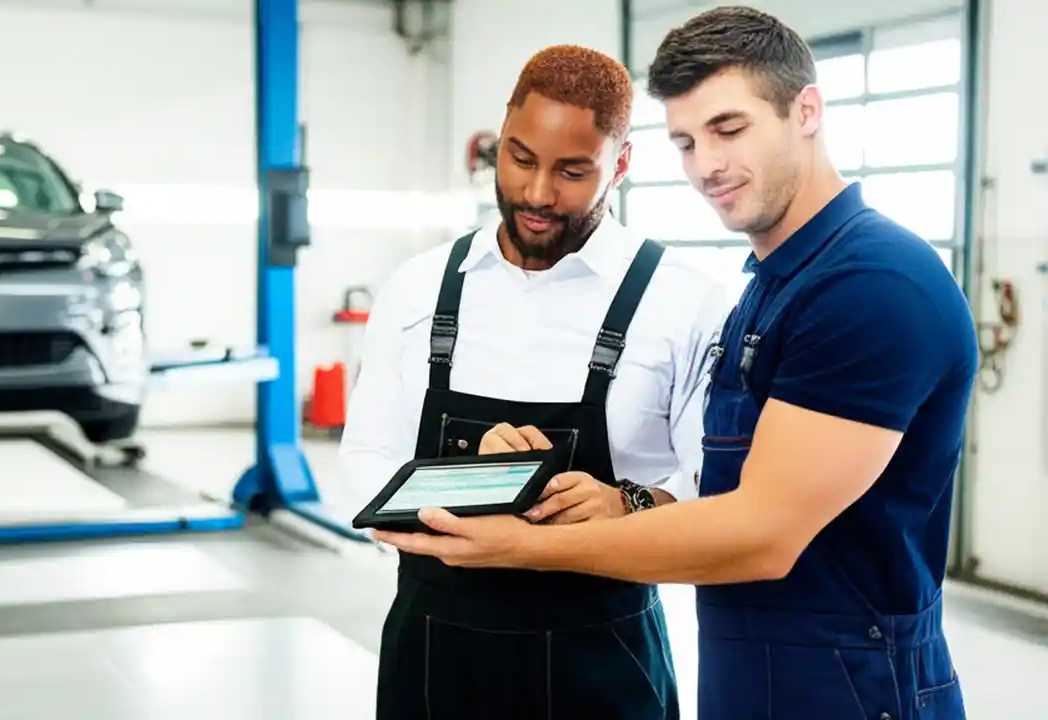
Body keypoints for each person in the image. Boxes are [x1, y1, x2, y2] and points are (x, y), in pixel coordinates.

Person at [372, 7, 978, 720]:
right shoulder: (773, 289)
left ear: (806, 111)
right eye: (686, 142)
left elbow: (762, 534)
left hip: (851, 687)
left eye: (729, 129)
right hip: (754, 676)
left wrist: (522, 545)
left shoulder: (872, 286)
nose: (706, 166)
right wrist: (619, 498)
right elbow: (707, 485)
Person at [338, 44, 729, 719]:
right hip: (435, 653)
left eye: (573, 171)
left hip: (602, 658)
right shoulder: (418, 288)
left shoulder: (684, 304)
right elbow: (366, 458)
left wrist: (625, 505)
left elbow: (720, 497)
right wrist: (465, 483)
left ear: (621, 165)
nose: (538, 194)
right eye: (520, 159)